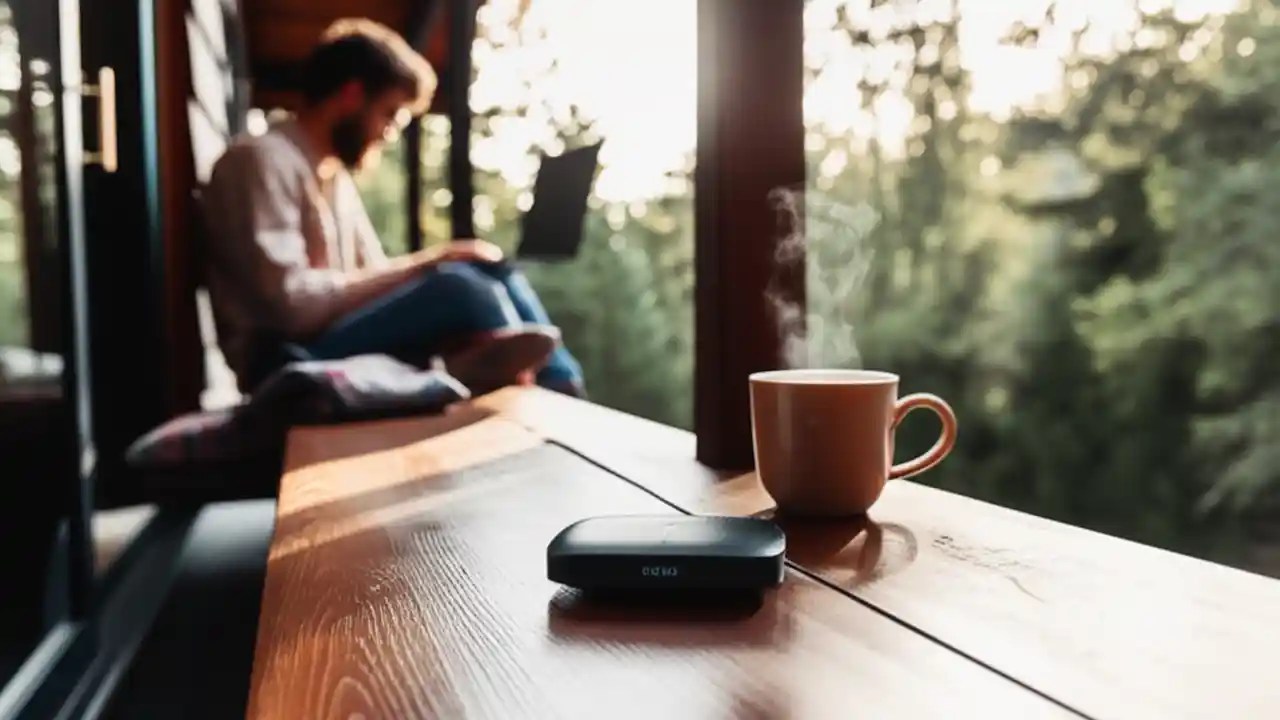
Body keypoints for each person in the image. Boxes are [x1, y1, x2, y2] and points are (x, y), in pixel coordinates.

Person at [201, 19, 584, 397]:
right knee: (462, 289)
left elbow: (376, 278)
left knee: (489, 269)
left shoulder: (335, 180)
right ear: (351, 95)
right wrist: (431, 262)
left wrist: (445, 260)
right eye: (389, 114)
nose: (388, 133)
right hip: (286, 357)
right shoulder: (261, 160)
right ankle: (536, 399)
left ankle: (562, 387)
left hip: (330, 336)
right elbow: (291, 308)